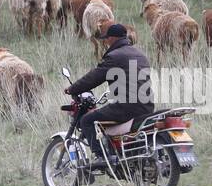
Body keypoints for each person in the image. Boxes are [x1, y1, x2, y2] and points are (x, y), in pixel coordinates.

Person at [65, 23, 154, 163]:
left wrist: (73, 89)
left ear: (112, 38)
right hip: (147, 106)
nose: (105, 42)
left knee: (86, 120)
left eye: (106, 39)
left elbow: (95, 77)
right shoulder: (140, 54)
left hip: (126, 107)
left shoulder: (114, 56)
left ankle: (100, 157)